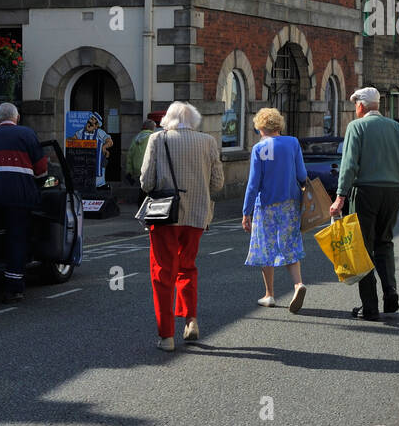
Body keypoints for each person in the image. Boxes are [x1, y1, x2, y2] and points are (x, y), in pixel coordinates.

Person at [139, 101, 224, 351]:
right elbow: (218, 183)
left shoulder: (158, 139)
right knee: (187, 267)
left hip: (165, 215)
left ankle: (166, 336)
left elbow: (146, 181)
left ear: (168, 119)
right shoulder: (207, 141)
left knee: (162, 273)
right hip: (197, 216)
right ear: (194, 119)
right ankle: (190, 319)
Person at [329, 86, 399, 321]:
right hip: (391, 194)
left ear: (361, 106)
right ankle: (391, 292)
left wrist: (340, 197)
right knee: (385, 243)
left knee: (363, 249)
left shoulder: (356, 127)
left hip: (365, 192)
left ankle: (369, 306)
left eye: (355, 105)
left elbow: (349, 165)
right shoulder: (395, 127)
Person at [242, 107, 308, 313]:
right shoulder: (292, 143)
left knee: (265, 248)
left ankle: (269, 294)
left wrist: (246, 212)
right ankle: (298, 284)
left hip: (266, 205)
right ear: (278, 125)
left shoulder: (259, 149)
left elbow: (253, 184)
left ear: (261, 127)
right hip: (290, 203)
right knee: (289, 244)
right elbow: (302, 174)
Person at [0, 102, 48, 300]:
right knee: (17, 239)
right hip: (19, 198)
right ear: (17, 118)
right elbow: (41, 169)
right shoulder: (27, 134)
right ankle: (14, 287)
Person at [73, 111, 112, 187]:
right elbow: (72, 139)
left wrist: (104, 147)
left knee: (98, 184)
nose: (90, 123)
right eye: (89, 121)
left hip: (97, 163)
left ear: (97, 125)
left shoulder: (99, 132)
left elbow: (109, 142)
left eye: (92, 122)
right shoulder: (81, 132)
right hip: (84, 163)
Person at [125, 118, 158, 198]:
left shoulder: (136, 138)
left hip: (138, 169)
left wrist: (129, 171)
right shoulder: (153, 137)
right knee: (151, 192)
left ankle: (140, 207)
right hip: (150, 168)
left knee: (142, 190)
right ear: (153, 128)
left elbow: (130, 155)